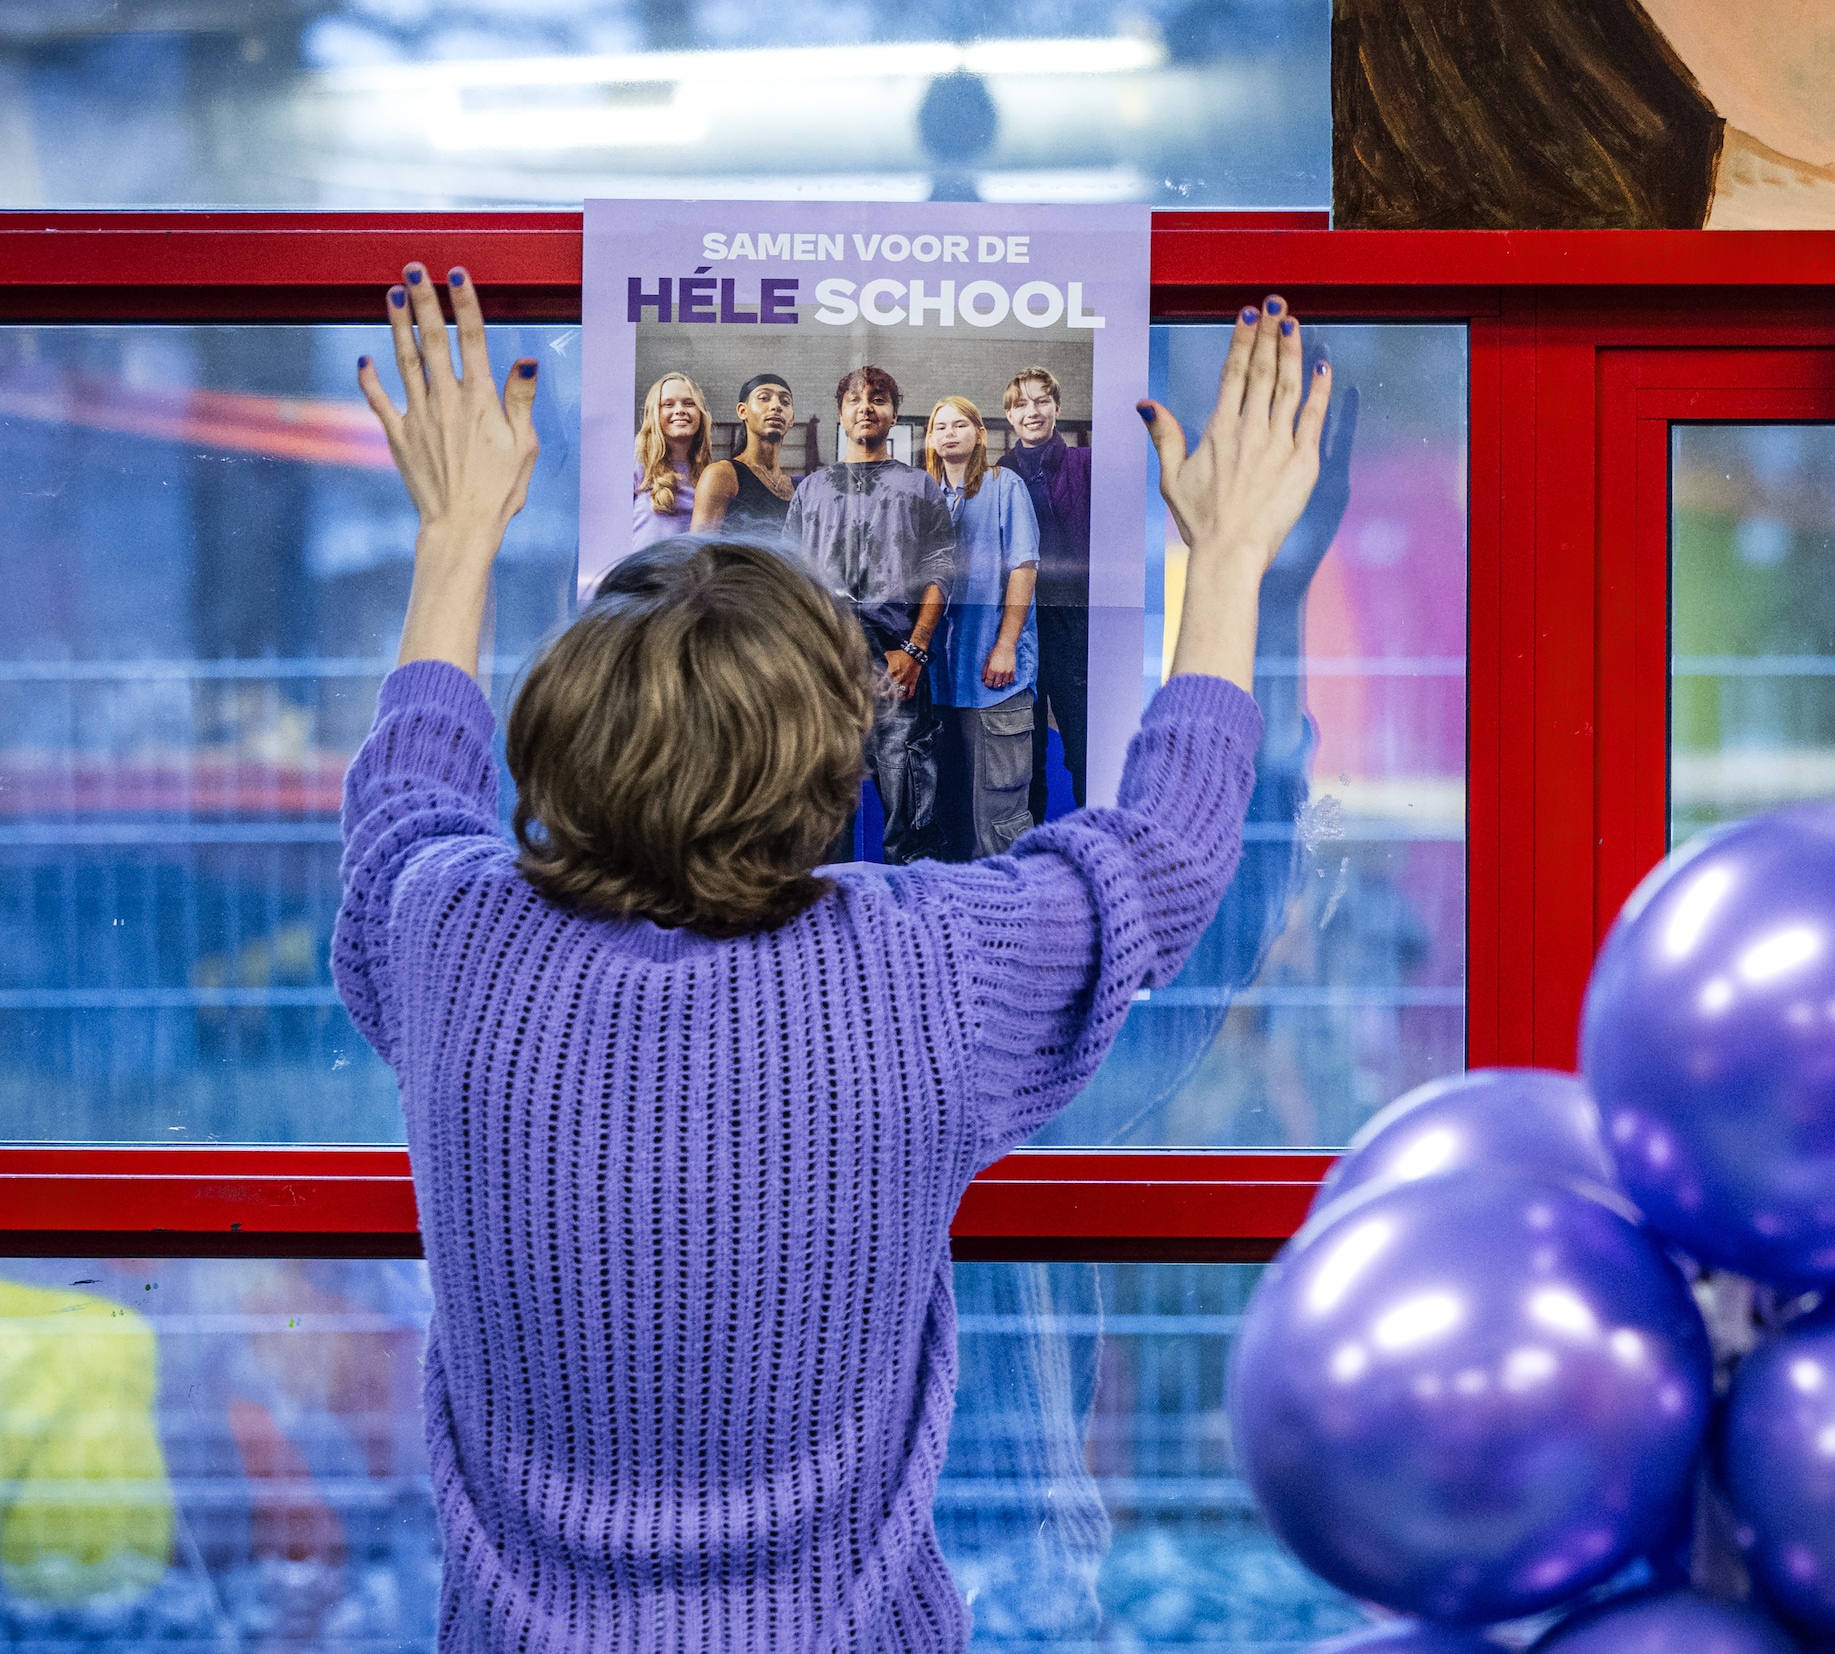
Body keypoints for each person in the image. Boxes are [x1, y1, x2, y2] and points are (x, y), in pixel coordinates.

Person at [340, 264, 1328, 1651]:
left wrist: (455, 531)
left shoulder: (452, 933)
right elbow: (1161, 855)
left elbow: (402, 798)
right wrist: (1224, 560)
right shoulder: (916, 966)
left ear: (555, 741)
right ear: (833, 762)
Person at [783, 365, 957, 863]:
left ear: (894, 414)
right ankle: (819, 925)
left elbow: (941, 571)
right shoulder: (810, 490)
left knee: (910, 817)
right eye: (855, 400)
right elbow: (789, 578)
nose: (866, 408)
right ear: (841, 414)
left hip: (896, 666)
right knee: (818, 815)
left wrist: (916, 650)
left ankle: (913, 931)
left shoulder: (921, 489)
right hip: (824, 669)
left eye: (878, 399)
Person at [921, 394, 1043, 860]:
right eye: (941, 426)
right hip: (941, 680)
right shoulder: (929, 497)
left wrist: (1007, 644)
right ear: (930, 439)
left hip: (994, 674)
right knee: (948, 816)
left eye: (960, 424)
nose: (949, 433)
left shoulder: (1003, 484)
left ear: (979, 435)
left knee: (997, 816)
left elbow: (1024, 567)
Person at [996, 366, 1093, 822]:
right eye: (1021, 405)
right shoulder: (995, 477)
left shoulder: (1087, 466)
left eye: (1041, 401)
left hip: (1075, 626)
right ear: (1009, 417)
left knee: (1083, 746)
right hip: (1020, 628)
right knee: (1024, 754)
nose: (1031, 412)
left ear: (1057, 407)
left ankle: (1091, 847)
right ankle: (1027, 858)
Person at [691, 371, 798, 540]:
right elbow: (700, 552)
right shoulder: (722, 474)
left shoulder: (798, 489)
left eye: (785, 402)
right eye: (764, 398)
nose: (776, 406)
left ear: (791, 419)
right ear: (742, 411)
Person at [630, 371, 708, 550]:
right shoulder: (635, 464)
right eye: (668, 404)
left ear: (701, 413)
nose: (679, 410)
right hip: (644, 573)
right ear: (654, 414)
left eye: (689, 403)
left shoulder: (710, 473)